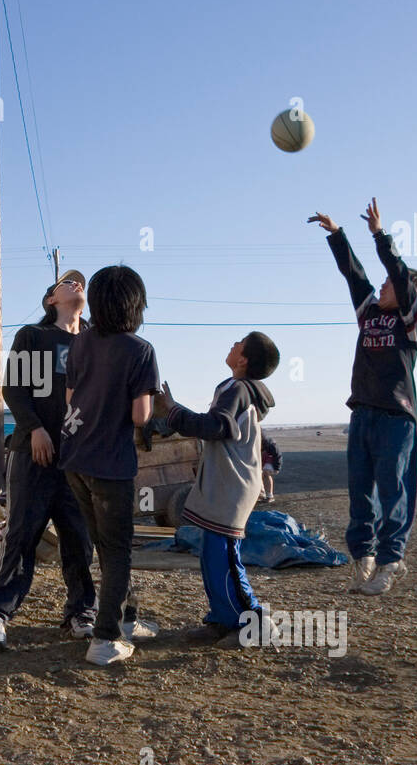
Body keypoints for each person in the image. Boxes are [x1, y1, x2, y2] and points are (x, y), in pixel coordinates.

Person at [309, 198, 417, 596]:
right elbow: (354, 274)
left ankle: (391, 562)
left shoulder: (411, 321)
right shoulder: (369, 311)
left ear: (408, 292)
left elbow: (395, 269)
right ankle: (364, 558)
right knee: (359, 491)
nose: (381, 286)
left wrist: (380, 235)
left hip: (396, 418)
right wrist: (339, 235)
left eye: (389, 285)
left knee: (393, 491)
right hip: (361, 414)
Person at [0, 270, 97, 649]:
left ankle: (81, 614)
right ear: (51, 300)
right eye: (67, 283)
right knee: (22, 534)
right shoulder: (34, 336)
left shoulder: (96, 342)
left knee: (79, 539)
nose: (76, 285)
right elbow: (13, 386)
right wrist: (34, 429)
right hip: (35, 455)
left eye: (80, 283)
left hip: (77, 460)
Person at [59, 265, 161, 666]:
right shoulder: (141, 351)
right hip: (111, 464)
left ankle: (128, 617)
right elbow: (140, 416)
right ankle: (104, 639)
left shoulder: (80, 344)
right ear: (136, 304)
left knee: (105, 544)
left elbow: (70, 399)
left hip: (75, 458)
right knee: (117, 551)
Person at [153, 332, 280, 648]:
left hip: (231, 486)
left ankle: (255, 621)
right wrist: (174, 408)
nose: (232, 345)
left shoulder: (237, 388)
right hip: (228, 484)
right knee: (213, 555)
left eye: (238, 343)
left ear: (243, 360)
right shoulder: (238, 389)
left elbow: (215, 426)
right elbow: (214, 422)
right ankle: (223, 619)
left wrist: (171, 411)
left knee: (223, 556)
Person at [260, 434, 282, 503]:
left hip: (270, 458)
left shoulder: (269, 442)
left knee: (266, 473)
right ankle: (262, 494)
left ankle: (270, 495)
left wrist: (277, 468)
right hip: (261, 458)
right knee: (259, 475)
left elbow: (277, 454)